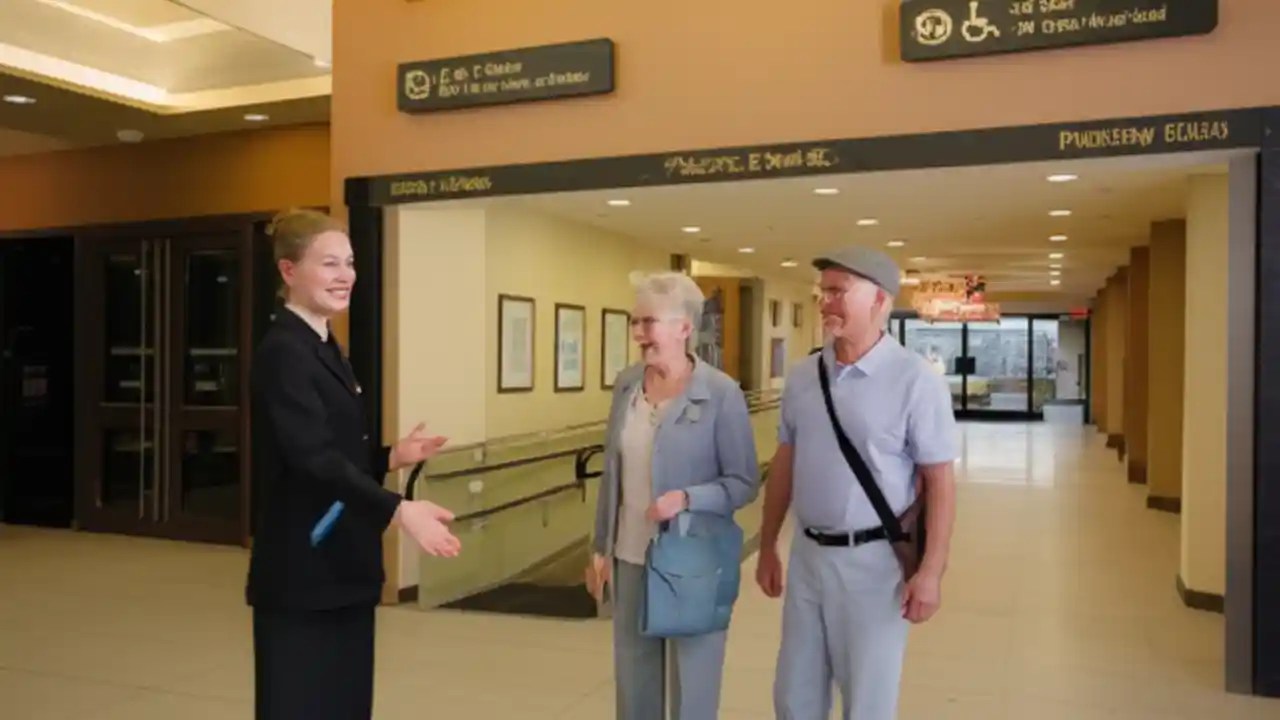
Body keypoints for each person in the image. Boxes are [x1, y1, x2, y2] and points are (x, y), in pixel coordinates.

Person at [246, 208, 462, 720]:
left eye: (350, 262)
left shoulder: (324, 344)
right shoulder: (285, 351)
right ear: (288, 271)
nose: (345, 276)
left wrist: (390, 456)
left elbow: (331, 451)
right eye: (329, 264)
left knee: (343, 703)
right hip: (305, 571)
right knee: (302, 704)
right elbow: (311, 458)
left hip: (342, 566)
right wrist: (398, 510)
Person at [756, 246, 958, 720]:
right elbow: (785, 463)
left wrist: (930, 572)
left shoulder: (915, 381)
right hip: (808, 558)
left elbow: (940, 483)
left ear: (879, 301)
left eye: (838, 291)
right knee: (794, 697)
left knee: (867, 702)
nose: (825, 302)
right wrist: (768, 544)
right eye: (822, 292)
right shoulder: (806, 375)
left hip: (875, 566)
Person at [586, 271, 760, 720]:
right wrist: (599, 548)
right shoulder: (627, 385)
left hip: (692, 563)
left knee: (693, 690)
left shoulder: (720, 393)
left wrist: (687, 497)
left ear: (684, 327)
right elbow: (613, 473)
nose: (640, 334)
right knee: (634, 683)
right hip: (629, 556)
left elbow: (743, 482)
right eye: (635, 322)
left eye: (650, 322)